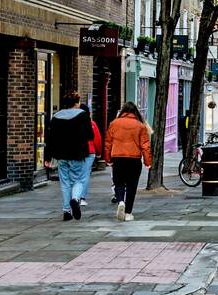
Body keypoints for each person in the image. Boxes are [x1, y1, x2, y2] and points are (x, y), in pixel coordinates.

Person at [44, 93, 94, 221]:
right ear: (77, 102)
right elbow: (90, 135)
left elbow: (50, 139)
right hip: (77, 154)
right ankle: (75, 199)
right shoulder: (83, 115)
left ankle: (66, 211)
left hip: (61, 155)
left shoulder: (56, 117)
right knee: (77, 180)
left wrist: (48, 157)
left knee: (65, 183)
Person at [105, 101, 151, 221]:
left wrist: (108, 159)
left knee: (119, 183)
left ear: (123, 111)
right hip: (134, 160)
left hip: (118, 158)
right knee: (132, 186)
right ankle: (128, 213)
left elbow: (108, 143)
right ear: (135, 111)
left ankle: (120, 201)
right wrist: (148, 162)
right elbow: (145, 145)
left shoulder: (114, 124)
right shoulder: (140, 126)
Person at [75, 105, 103, 207]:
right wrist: (99, 152)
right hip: (90, 151)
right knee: (85, 174)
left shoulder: (74, 124)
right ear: (89, 113)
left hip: (77, 152)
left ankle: (75, 196)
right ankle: (82, 197)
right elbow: (97, 139)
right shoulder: (92, 124)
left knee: (77, 174)